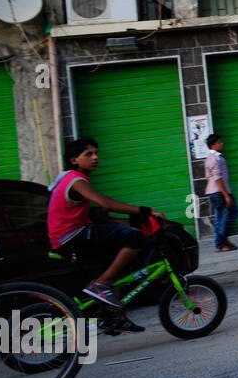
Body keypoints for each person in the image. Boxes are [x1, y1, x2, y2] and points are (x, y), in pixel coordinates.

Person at [47, 137, 167, 333]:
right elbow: (106, 204)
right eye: (89, 154)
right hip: (71, 237)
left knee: (122, 262)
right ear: (74, 160)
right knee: (135, 238)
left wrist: (130, 222)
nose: (95, 157)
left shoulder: (72, 179)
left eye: (96, 153)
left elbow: (101, 217)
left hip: (72, 236)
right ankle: (100, 284)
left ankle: (114, 317)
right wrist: (146, 211)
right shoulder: (75, 180)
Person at [204, 133, 238, 252]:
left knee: (231, 213)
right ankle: (220, 244)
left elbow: (209, 176)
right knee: (222, 218)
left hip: (217, 191)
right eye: (219, 142)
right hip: (219, 192)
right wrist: (226, 196)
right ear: (213, 145)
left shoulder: (212, 157)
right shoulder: (215, 158)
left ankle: (223, 240)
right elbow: (217, 178)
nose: (221, 143)